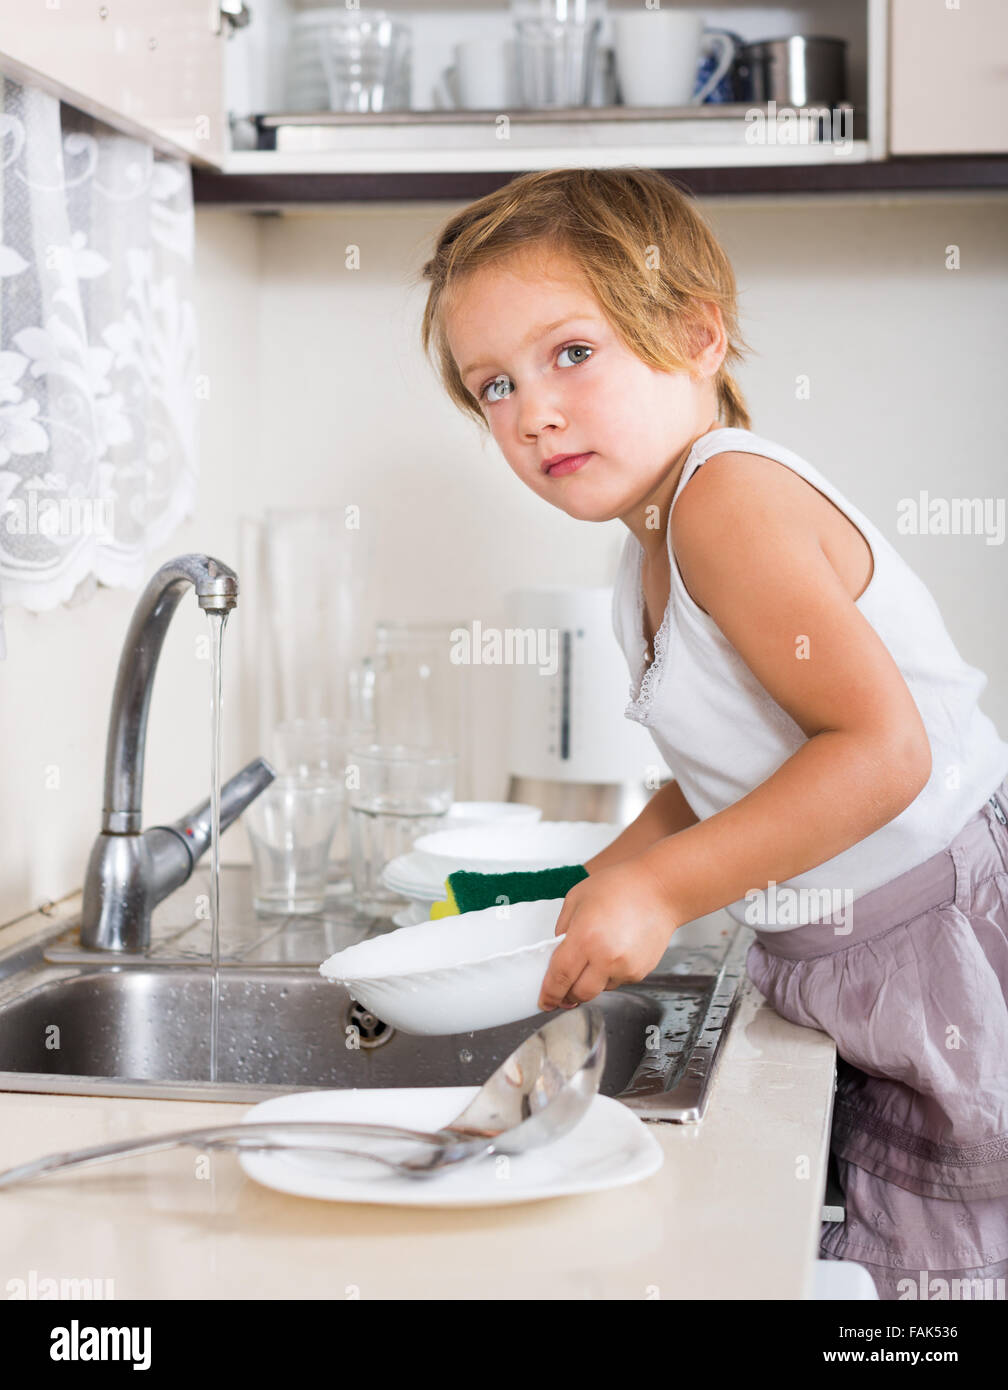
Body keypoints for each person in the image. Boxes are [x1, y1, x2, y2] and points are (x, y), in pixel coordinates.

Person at [419, 166, 1008, 1300]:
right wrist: (599, 879)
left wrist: (663, 894)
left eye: (570, 354)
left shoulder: (724, 504)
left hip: (945, 933)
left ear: (697, 334)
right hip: (858, 948)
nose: (532, 411)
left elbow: (883, 751)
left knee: (954, 1265)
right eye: (492, 384)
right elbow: (726, 771)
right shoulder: (642, 549)